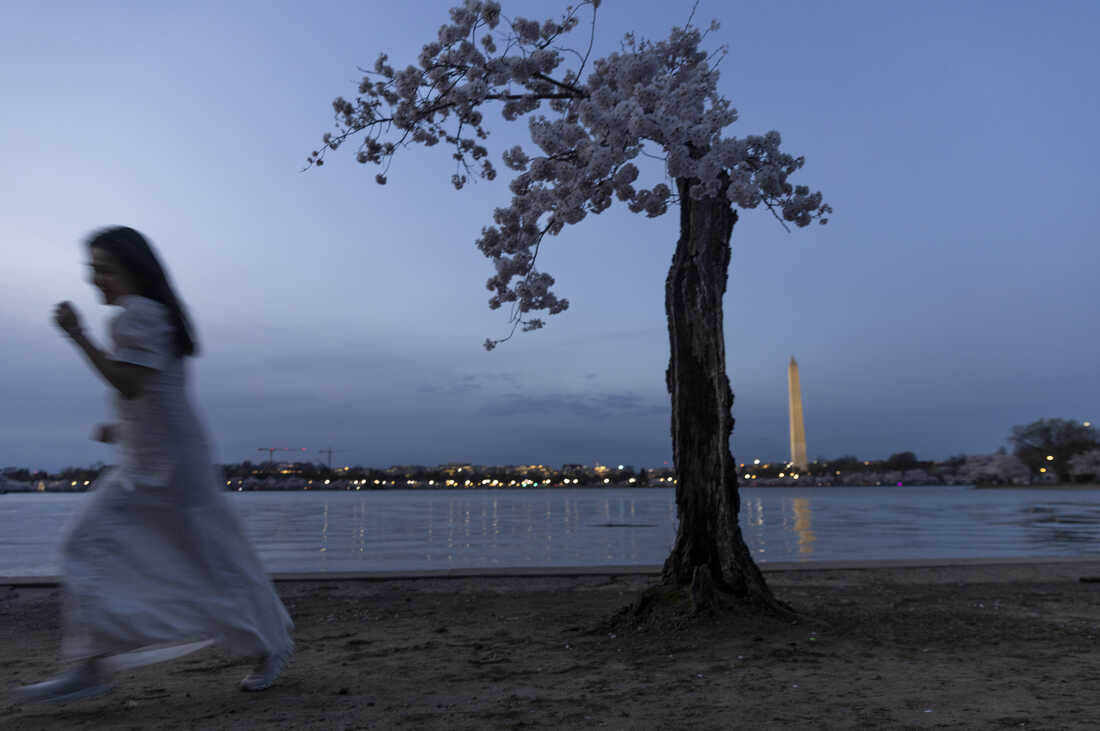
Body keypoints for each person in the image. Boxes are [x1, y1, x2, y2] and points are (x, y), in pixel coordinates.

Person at [18, 226, 293, 704]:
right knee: (100, 547)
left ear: (132, 270)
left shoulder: (139, 315)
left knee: (207, 562)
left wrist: (78, 334)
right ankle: (91, 665)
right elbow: (155, 395)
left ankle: (269, 646)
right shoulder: (143, 315)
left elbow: (132, 384)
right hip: (151, 460)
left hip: (169, 471)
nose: (94, 279)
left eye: (103, 269)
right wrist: (119, 429)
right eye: (92, 269)